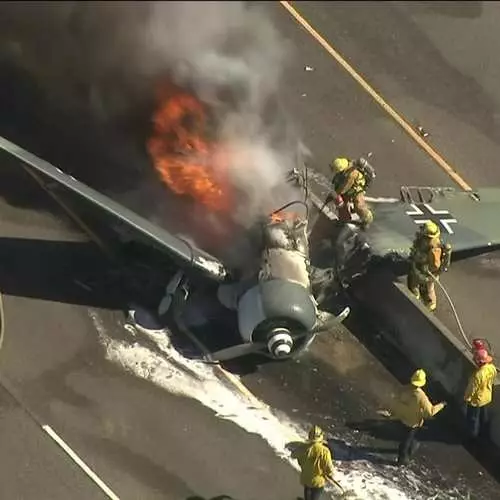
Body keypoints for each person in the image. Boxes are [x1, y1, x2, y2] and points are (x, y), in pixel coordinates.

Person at [394, 369, 446, 466]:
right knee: (408, 440)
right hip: (413, 422)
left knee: (405, 439)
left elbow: (397, 399)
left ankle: (404, 454)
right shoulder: (421, 396)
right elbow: (430, 412)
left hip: (403, 418)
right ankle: (403, 459)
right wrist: (441, 405)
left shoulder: (405, 389)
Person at [407, 221, 452, 312]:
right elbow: (444, 264)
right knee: (430, 289)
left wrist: (415, 266)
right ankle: (430, 307)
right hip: (433, 275)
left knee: (414, 285)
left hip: (420, 272)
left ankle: (415, 300)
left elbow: (415, 257)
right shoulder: (440, 245)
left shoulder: (423, 244)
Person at [290, 425, 334, 500]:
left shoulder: (303, 447)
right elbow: (329, 468)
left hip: (306, 478)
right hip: (318, 482)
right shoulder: (325, 451)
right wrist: (329, 475)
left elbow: (293, 455)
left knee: (307, 494)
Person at [330, 157, 374, 229]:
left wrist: (336, 194)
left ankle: (367, 219)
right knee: (342, 204)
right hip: (350, 188)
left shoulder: (351, 174)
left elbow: (344, 188)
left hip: (357, 189)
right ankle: (344, 219)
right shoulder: (345, 169)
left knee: (359, 206)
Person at [464, 348, 497, 439]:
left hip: (476, 400)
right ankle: (484, 434)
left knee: (472, 419)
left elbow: (472, 389)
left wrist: (467, 398)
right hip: (487, 397)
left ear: (480, 362)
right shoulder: (492, 368)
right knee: (483, 417)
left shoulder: (478, 375)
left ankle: (472, 437)